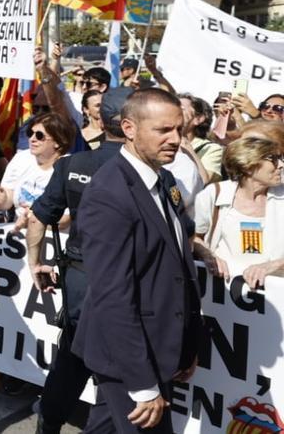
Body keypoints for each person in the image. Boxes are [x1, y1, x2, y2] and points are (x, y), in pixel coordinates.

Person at [72, 89, 206, 434]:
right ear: (129, 128)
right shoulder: (109, 193)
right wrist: (143, 386)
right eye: (163, 130)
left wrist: (186, 342)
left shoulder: (163, 178)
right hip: (130, 358)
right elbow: (112, 294)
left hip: (157, 345)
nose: (175, 139)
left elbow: (174, 253)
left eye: (179, 129)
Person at [26, 86, 132, 434]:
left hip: (80, 282)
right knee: (115, 366)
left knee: (72, 358)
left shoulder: (73, 164)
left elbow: (38, 218)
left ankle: (49, 421)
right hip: (122, 283)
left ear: (100, 119)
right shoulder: (148, 171)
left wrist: (34, 264)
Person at [193, 136, 284, 287]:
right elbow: (194, 237)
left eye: (281, 158)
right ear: (247, 165)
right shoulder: (215, 194)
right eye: (273, 159)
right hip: (223, 291)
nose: (281, 165)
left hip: (276, 292)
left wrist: (274, 265)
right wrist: (208, 255)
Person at [0, 111, 74, 223]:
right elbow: (8, 199)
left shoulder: (70, 169)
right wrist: (1, 200)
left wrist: (32, 220)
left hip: (52, 232)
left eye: (39, 135)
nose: (31, 139)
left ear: (58, 141)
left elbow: (66, 219)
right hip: (17, 229)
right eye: (30, 133)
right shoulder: (21, 158)